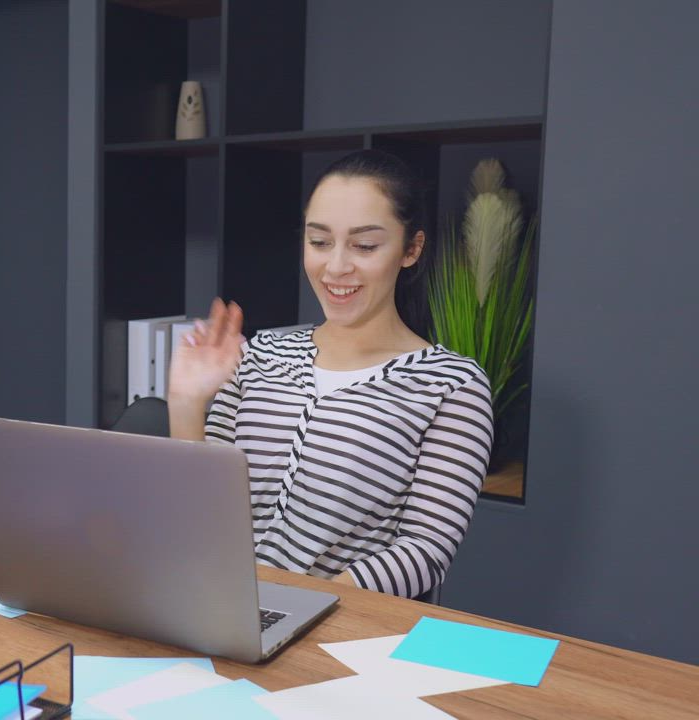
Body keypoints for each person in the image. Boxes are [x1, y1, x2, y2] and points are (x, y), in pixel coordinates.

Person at [167, 149, 493, 599]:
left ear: (410, 249)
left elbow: (425, 551)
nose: (336, 267)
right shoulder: (261, 354)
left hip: (332, 629)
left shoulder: (451, 385)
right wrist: (185, 404)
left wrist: (300, 609)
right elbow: (196, 517)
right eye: (319, 242)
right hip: (211, 603)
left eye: (364, 246)